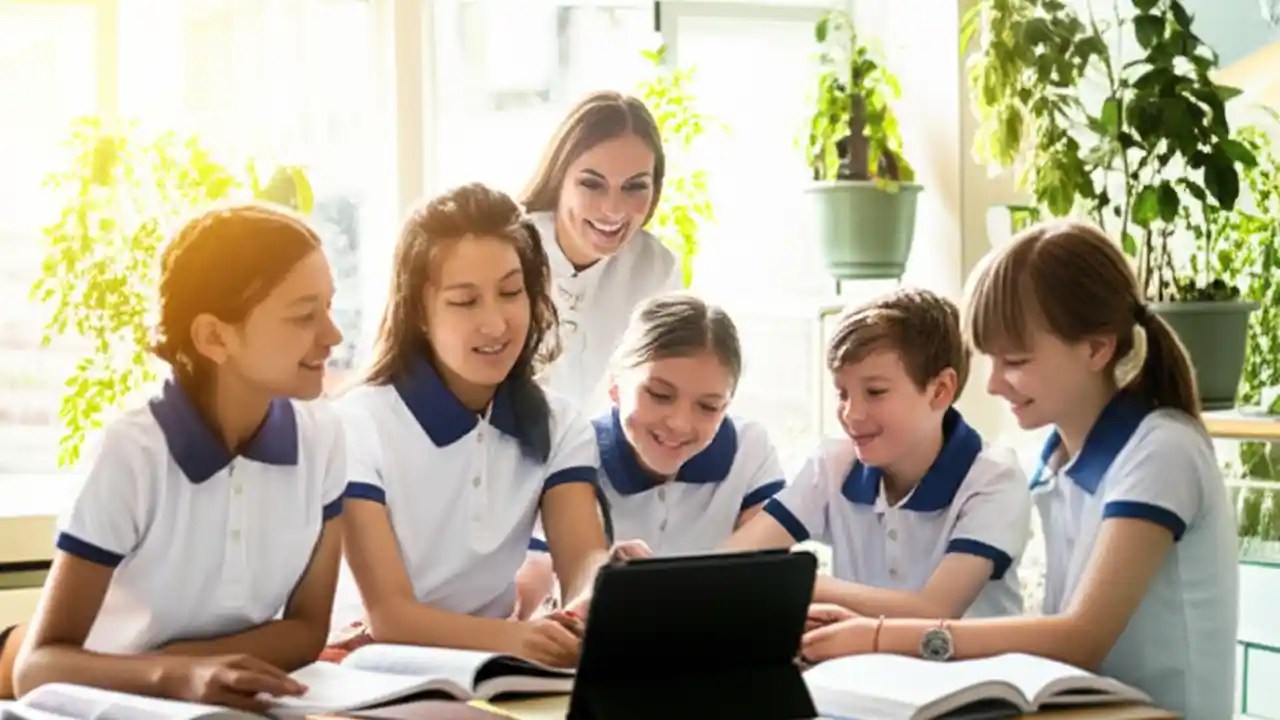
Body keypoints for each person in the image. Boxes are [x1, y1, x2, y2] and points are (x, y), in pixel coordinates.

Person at [801, 221, 1238, 719]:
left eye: (1015, 360)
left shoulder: (1161, 450)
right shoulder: (1055, 462)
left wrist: (879, 635)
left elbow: (1081, 638)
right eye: (990, 359)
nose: (992, 384)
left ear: (1097, 348)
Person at [3, 204, 347, 713]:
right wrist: (176, 674)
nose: (333, 335)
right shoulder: (133, 453)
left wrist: (191, 667)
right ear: (214, 337)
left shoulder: (324, 437)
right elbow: (36, 668)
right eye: (303, 316)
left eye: (329, 307)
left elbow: (307, 630)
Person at [331, 183, 609, 669]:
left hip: (496, 671)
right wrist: (517, 639)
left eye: (510, 292)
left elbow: (581, 564)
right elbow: (391, 617)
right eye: (464, 301)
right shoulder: (358, 424)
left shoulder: (560, 424)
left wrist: (602, 589)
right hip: (371, 666)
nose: (496, 324)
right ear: (418, 312)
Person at [724, 288, 1030, 621]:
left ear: (940, 390)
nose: (851, 414)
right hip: (857, 655)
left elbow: (935, 611)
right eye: (842, 393)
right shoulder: (834, 464)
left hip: (961, 657)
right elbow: (733, 562)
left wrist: (802, 585)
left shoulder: (994, 479)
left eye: (875, 392)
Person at [521, 90, 680, 414]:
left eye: (635, 186)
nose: (613, 209)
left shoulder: (657, 268)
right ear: (559, 178)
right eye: (592, 184)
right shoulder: (506, 249)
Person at [594, 292, 786, 555]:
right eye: (660, 395)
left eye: (708, 407)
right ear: (615, 384)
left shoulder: (749, 451)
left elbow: (766, 568)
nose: (680, 424)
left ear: (726, 406)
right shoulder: (576, 457)